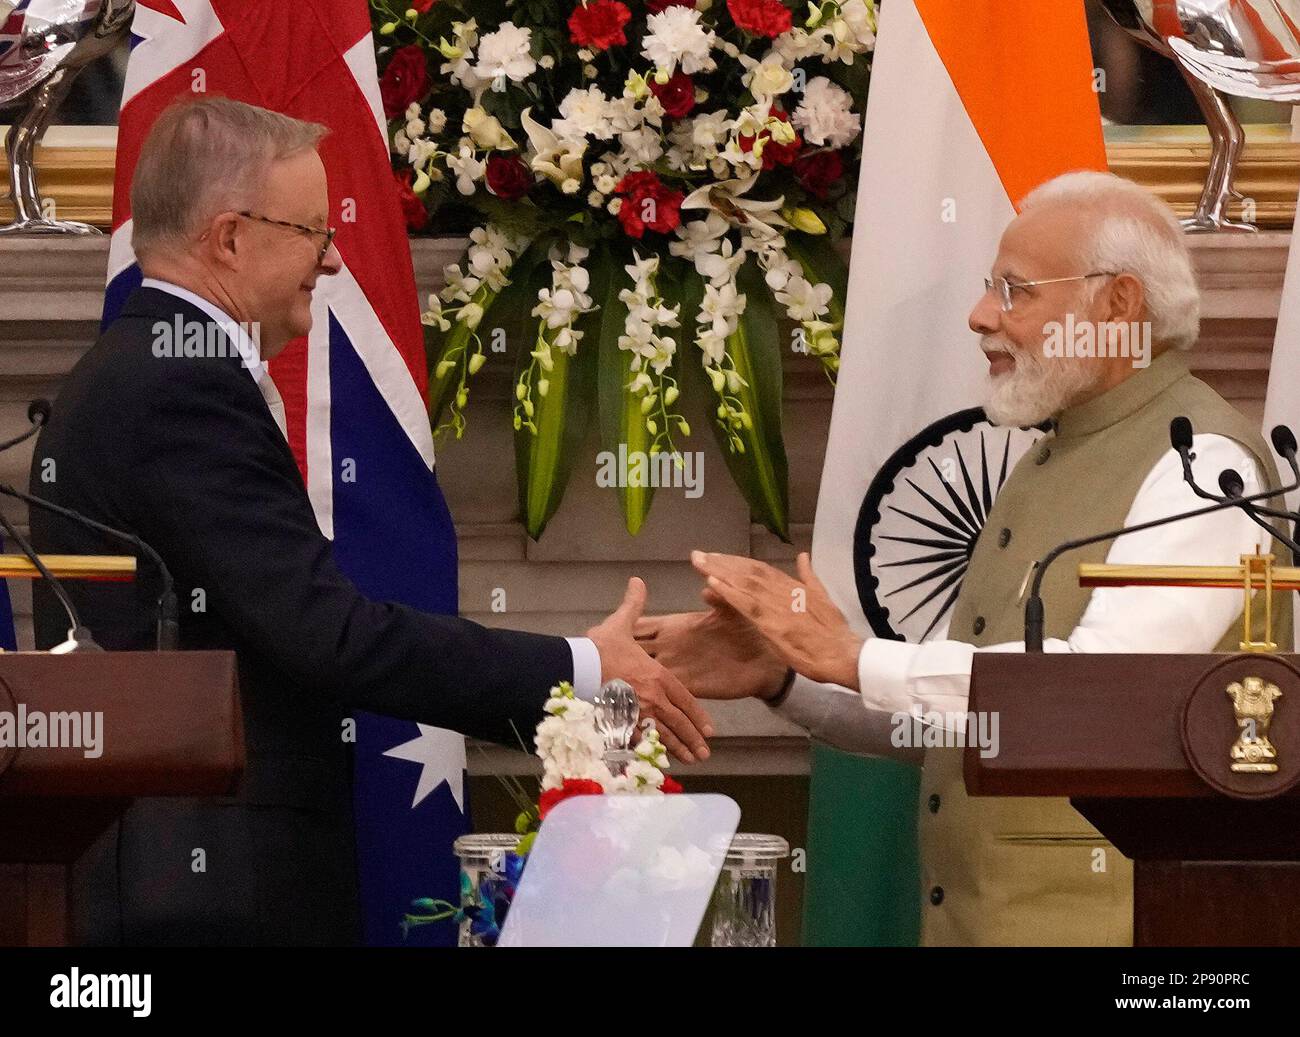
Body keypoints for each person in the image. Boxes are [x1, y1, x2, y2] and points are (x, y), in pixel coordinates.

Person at [28, 96, 711, 946]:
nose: (335, 259)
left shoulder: (148, 365)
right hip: (205, 894)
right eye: (313, 232)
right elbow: (330, 635)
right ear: (230, 237)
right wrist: (578, 664)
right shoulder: (179, 384)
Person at [638, 170, 1294, 946]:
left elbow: (1098, 694)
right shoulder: (1055, 452)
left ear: (1117, 305)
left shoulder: (1204, 466)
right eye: (991, 288)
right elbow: (974, 721)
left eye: (1016, 291)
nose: (983, 316)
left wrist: (851, 656)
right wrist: (787, 675)